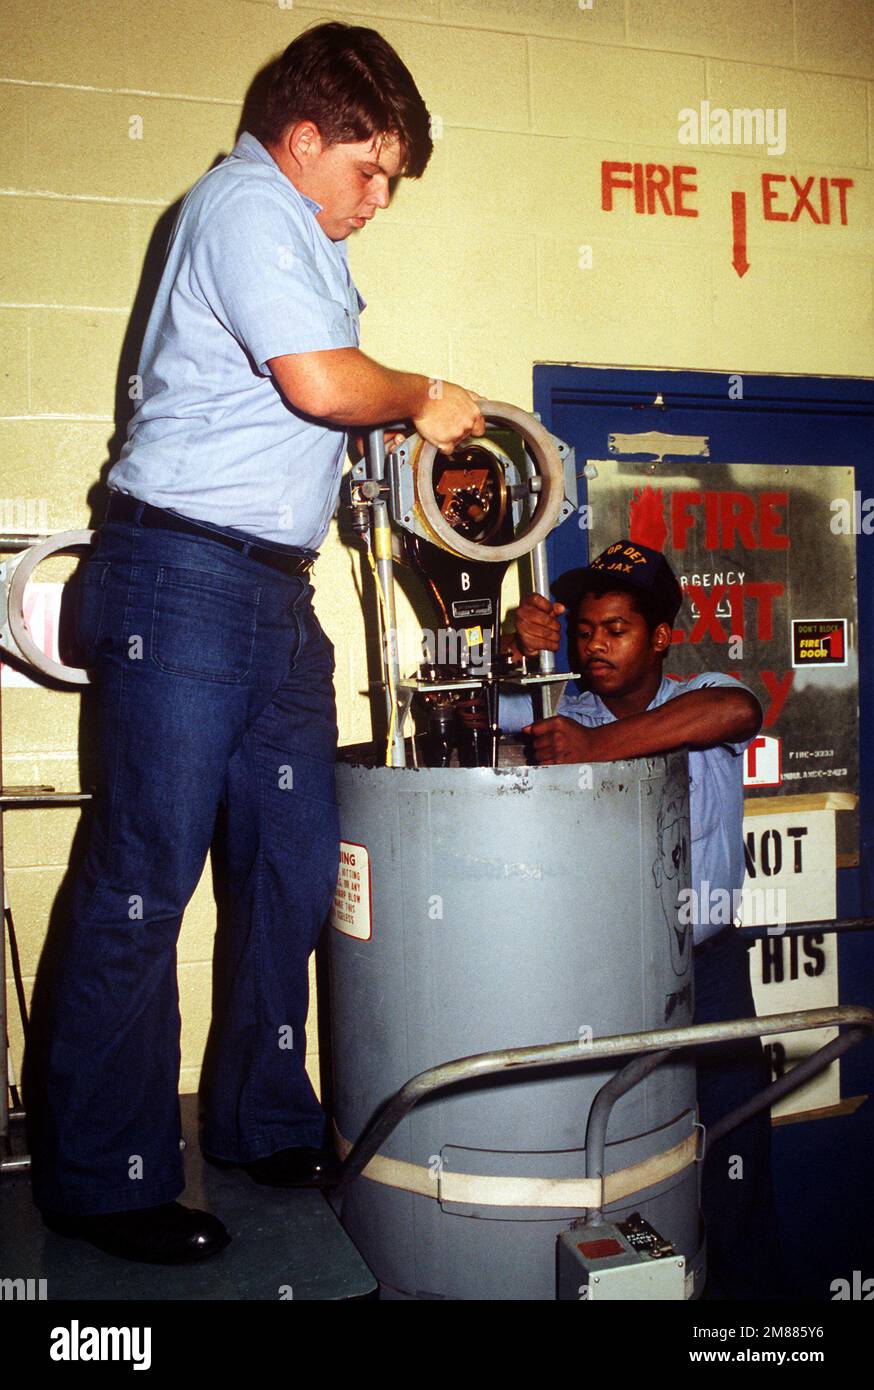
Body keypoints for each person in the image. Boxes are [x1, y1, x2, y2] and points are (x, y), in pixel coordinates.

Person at [28, 21, 486, 1265]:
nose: (377, 201)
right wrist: (422, 393)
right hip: (178, 573)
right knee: (140, 877)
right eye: (368, 172)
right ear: (301, 140)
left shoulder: (304, 239)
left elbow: (314, 408)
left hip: (271, 598)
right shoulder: (243, 205)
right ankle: (103, 1176)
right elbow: (325, 386)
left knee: (289, 868)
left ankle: (257, 1117)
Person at [499, 538, 784, 1299]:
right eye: (585, 629)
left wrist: (596, 748)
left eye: (617, 628)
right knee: (618, 1153)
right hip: (602, 975)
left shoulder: (702, 694)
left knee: (735, 1154)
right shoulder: (557, 707)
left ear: (660, 636)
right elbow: (478, 734)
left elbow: (734, 710)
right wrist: (510, 652)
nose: (595, 645)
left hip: (709, 966)